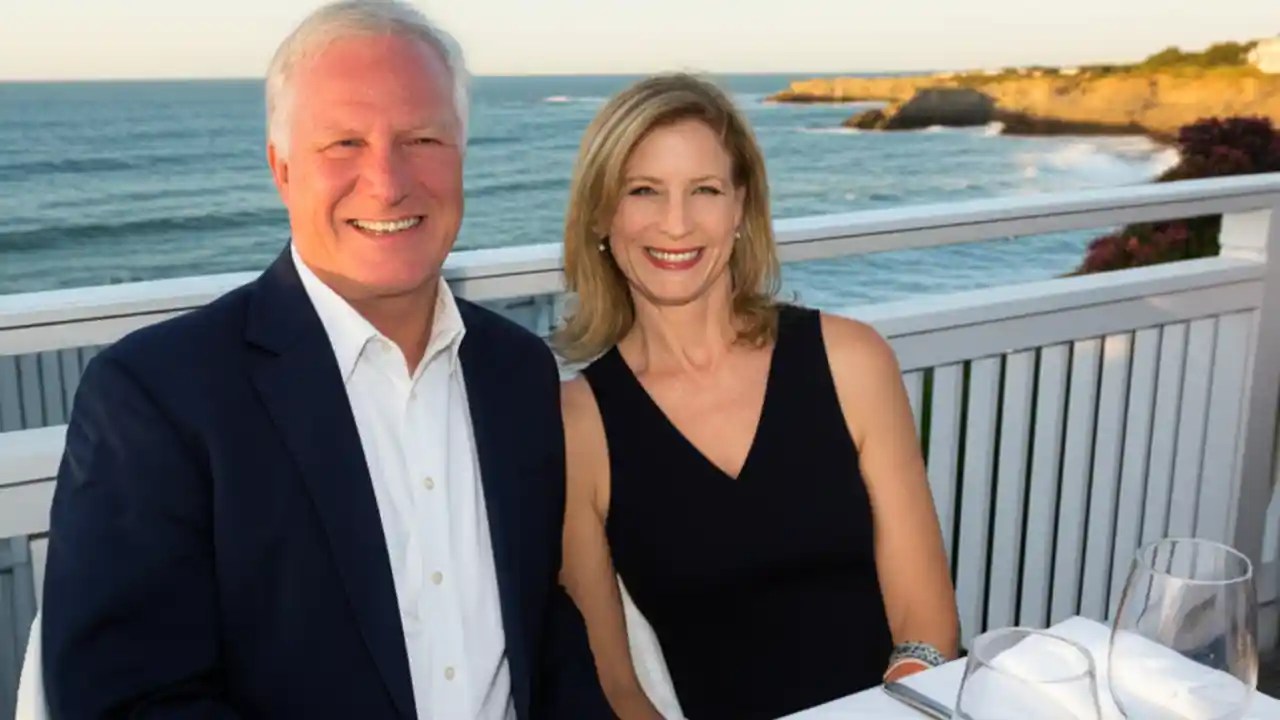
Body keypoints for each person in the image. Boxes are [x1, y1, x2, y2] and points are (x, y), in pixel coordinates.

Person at [40, 2, 611, 718]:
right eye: (343, 143)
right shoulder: (159, 398)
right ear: (281, 169)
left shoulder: (517, 374)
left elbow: (540, 636)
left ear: (461, 153)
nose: (388, 180)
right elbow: (125, 701)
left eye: (423, 138)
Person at [556, 73, 960, 720]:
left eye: (705, 191)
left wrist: (894, 705)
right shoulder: (579, 426)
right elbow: (617, 687)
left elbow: (925, 619)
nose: (677, 223)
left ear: (740, 208)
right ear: (603, 214)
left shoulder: (851, 361)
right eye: (644, 191)